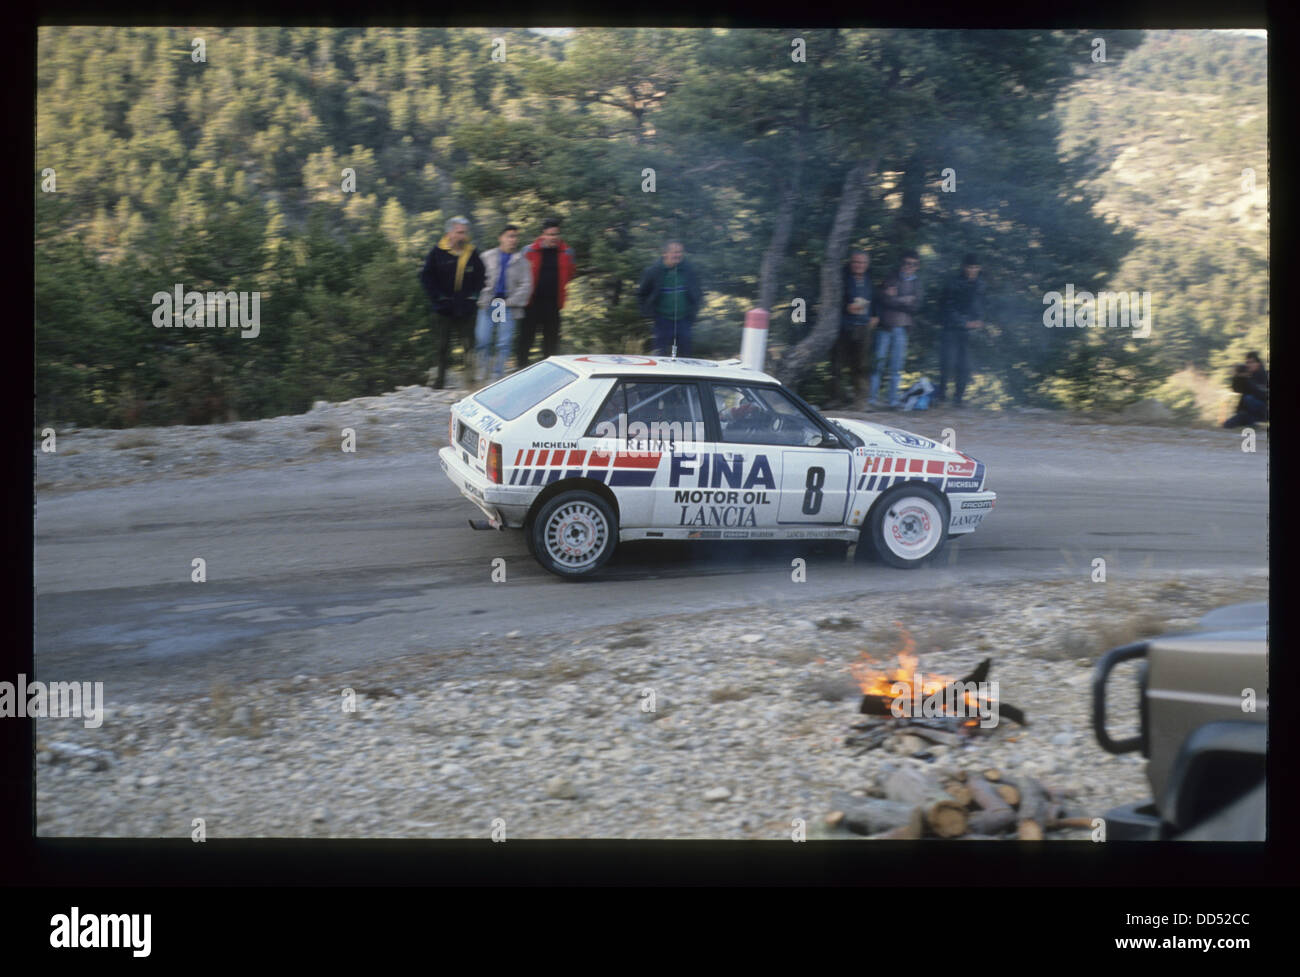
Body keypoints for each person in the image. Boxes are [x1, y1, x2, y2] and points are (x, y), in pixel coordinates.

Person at [419, 217, 486, 389]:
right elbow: (426, 278)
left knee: (469, 346)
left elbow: (481, 276)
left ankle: (470, 381)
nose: (463, 236)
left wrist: (474, 296)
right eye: (459, 232)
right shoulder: (436, 252)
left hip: (466, 308)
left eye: (465, 232)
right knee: (442, 346)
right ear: (449, 233)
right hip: (443, 308)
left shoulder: (472, 252)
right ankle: (439, 381)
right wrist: (438, 298)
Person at [475, 225, 532, 382]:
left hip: (506, 305)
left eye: (515, 236)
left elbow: (526, 285)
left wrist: (511, 301)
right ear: (501, 237)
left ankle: (497, 375)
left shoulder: (521, 261)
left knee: (503, 342)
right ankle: (482, 371)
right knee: (483, 339)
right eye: (509, 236)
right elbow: (476, 278)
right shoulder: (487, 256)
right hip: (488, 303)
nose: (513, 240)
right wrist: (482, 292)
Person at [517, 219, 576, 367]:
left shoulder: (568, 252)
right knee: (526, 339)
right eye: (550, 234)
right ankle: (520, 369)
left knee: (551, 342)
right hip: (531, 303)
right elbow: (519, 274)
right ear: (543, 234)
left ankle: (549, 373)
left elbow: (571, 273)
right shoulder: (528, 250)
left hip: (553, 303)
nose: (553, 238)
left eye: (556, 234)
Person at [869, 250, 921, 409]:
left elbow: (917, 306)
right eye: (906, 263)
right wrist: (905, 300)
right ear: (902, 263)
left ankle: (892, 401)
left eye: (913, 264)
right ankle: (872, 399)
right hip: (885, 326)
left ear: (917, 266)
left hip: (903, 328)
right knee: (878, 364)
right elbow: (884, 299)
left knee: (896, 367)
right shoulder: (891, 277)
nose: (909, 267)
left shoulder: (918, 283)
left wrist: (895, 299)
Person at [829, 249, 877, 407]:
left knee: (862, 365)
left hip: (864, 327)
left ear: (867, 264)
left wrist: (876, 316)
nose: (859, 265)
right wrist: (846, 307)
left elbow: (876, 298)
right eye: (856, 262)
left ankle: (861, 401)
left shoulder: (870, 278)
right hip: (844, 325)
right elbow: (833, 298)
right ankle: (838, 399)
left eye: (863, 262)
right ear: (851, 262)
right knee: (838, 364)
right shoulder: (842, 277)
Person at [638, 241, 703, 357]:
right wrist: (648, 314)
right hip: (662, 320)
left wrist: (694, 311)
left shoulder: (689, 270)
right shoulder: (653, 271)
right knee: (660, 354)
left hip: (684, 320)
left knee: (686, 355)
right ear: (665, 254)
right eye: (674, 252)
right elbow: (641, 294)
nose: (678, 255)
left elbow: (697, 292)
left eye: (680, 252)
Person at [936, 254, 986, 406]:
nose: (972, 270)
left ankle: (959, 398)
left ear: (979, 268)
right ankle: (942, 396)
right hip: (951, 329)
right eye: (970, 267)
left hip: (968, 331)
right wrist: (965, 323)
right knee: (948, 362)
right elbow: (947, 308)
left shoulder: (981, 285)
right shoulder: (953, 284)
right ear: (964, 267)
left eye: (975, 267)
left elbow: (982, 305)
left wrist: (980, 320)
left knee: (965, 364)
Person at [1223, 351, 1268, 428]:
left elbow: (1261, 393)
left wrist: (1248, 379)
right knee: (1227, 425)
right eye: (1247, 363)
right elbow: (1236, 389)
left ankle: (1256, 423)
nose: (1249, 365)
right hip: (1247, 412)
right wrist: (1238, 376)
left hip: (1263, 410)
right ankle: (1252, 423)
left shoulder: (1265, 375)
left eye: (1251, 362)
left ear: (1258, 363)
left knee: (1248, 398)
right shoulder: (1247, 376)